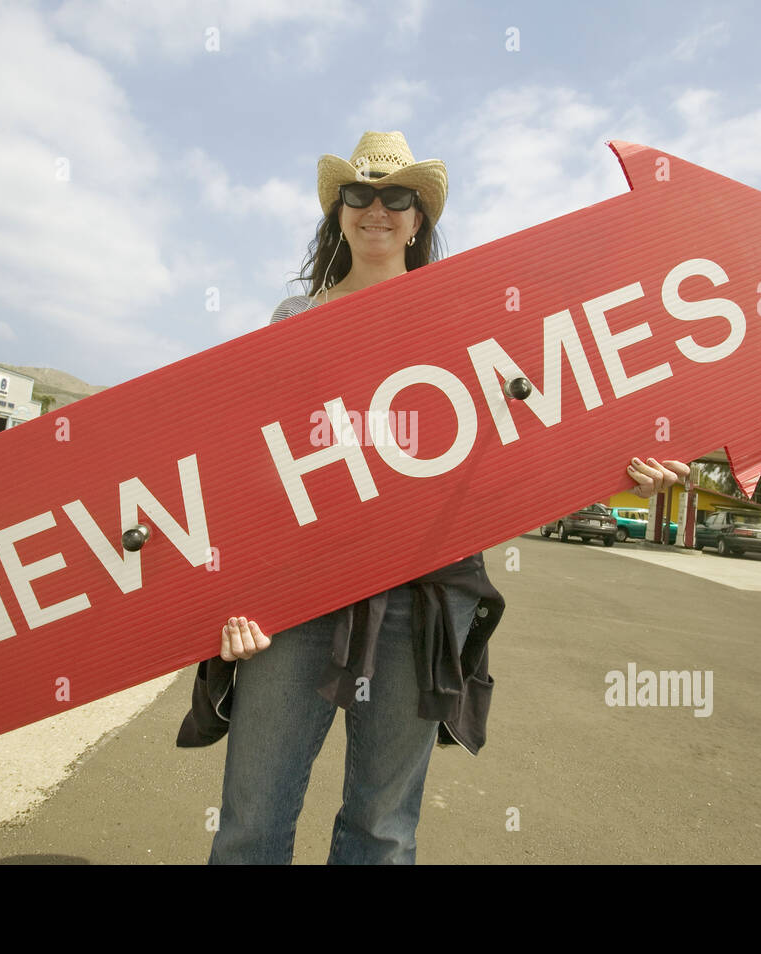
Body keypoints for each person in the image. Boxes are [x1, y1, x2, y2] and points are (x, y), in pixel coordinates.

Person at [176, 130, 688, 864]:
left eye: (396, 197)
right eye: (359, 194)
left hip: (420, 596)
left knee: (382, 829)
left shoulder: (466, 319)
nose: (376, 209)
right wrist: (234, 592)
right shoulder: (295, 320)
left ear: (420, 219)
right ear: (339, 212)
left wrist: (622, 461)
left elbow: (530, 434)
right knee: (252, 822)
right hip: (296, 597)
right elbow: (253, 469)